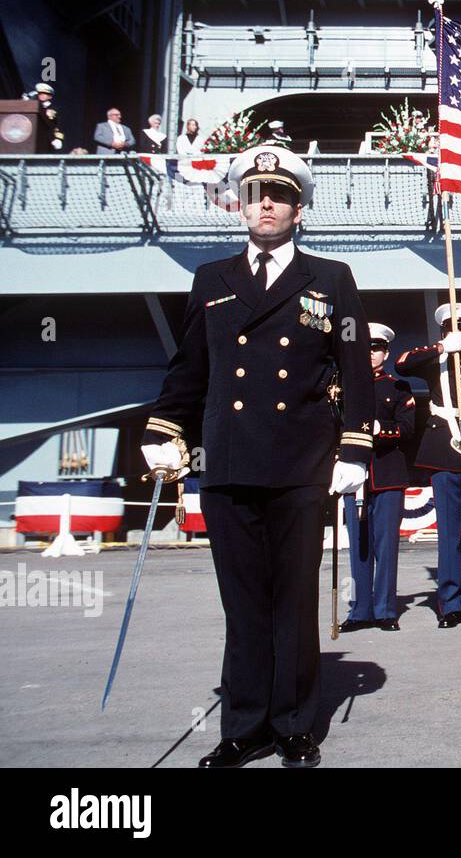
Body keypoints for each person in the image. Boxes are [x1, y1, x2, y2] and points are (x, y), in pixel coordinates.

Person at [140, 144, 372, 768]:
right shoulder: (211, 280)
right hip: (228, 461)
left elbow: (355, 368)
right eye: (253, 195)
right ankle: (245, 726)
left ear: (300, 210)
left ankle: (295, 722)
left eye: (278, 196)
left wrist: (354, 446)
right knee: (242, 601)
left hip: (301, 463)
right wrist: (165, 429)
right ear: (239, 206)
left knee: (294, 596)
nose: (264, 204)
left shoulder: (332, 279)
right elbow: (191, 367)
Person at [395, 302, 461, 628]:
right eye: (451, 328)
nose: (459, 333)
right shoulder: (433, 362)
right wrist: (442, 347)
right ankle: (450, 603)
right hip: (443, 450)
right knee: (449, 533)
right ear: (443, 331)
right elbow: (402, 365)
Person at [339, 323, 415, 633]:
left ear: (386, 353)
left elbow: (407, 429)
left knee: (386, 547)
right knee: (358, 548)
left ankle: (384, 610)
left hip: (387, 475)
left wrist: (381, 431)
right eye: (367, 348)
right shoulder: (344, 386)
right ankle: (359, 610)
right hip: (354, 476)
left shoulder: (398, 388)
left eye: (377, 349)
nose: (372, 354)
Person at [31, 83, 64, 153]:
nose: (41, 95)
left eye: (44, 93)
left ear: (50, 96)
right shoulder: (33, 106)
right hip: (34, 138)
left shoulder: (54, 109)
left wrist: (58, 139)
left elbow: (59, 125)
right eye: (40, 93)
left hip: (48, 139)